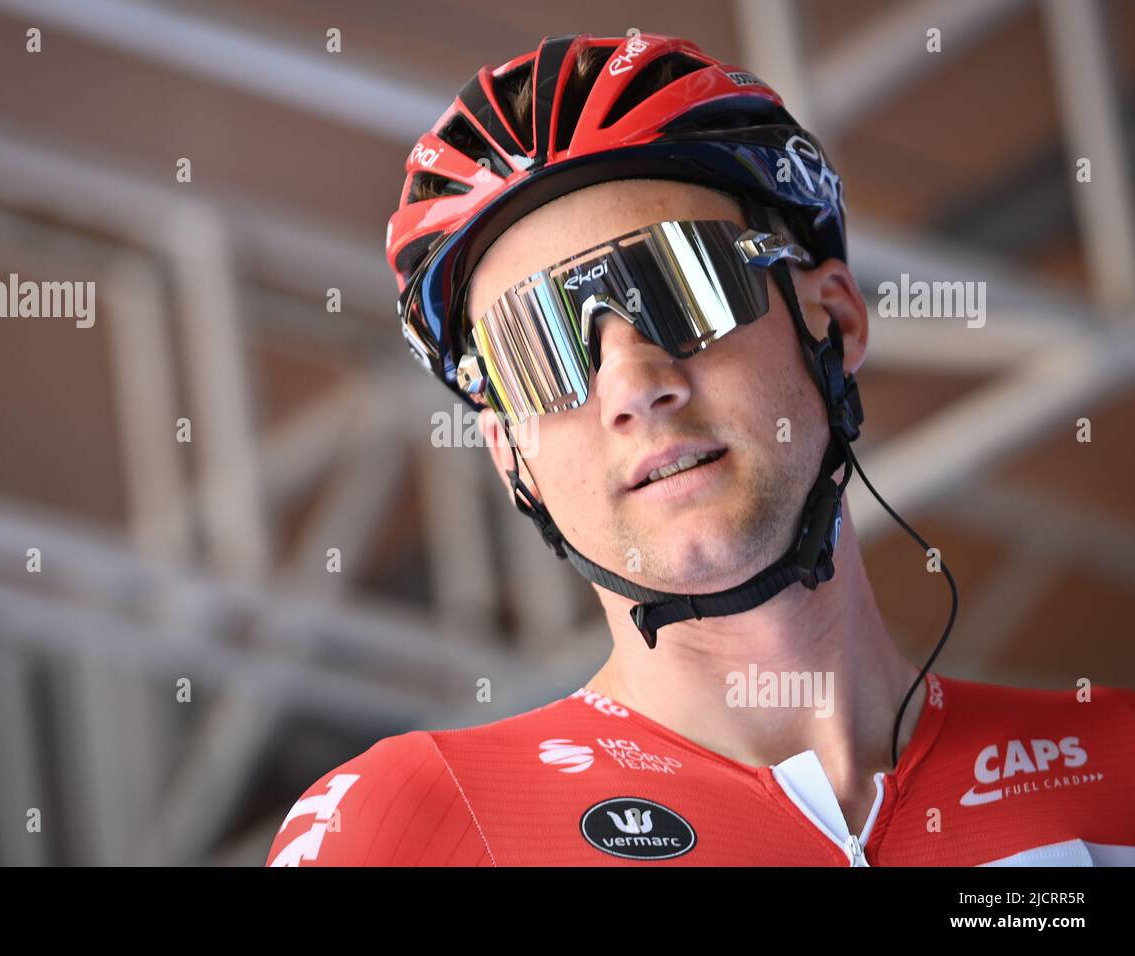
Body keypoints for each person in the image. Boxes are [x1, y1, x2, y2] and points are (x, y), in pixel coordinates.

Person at [267, 32, 1134, 867]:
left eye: (684, 283)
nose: (634, 384)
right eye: (542, 349)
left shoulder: (1118, 775)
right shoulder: (413, 827)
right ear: (506, 453)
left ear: (832, 315)